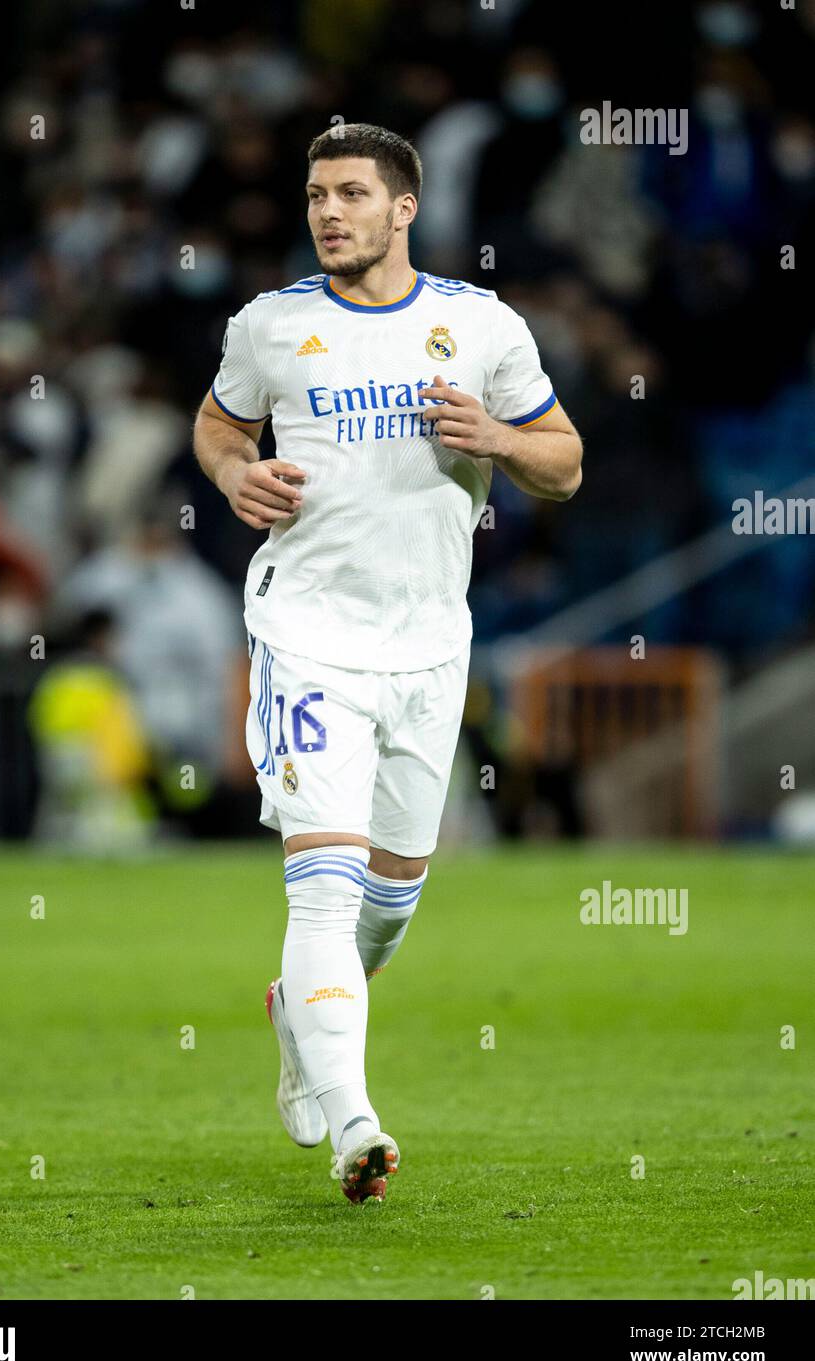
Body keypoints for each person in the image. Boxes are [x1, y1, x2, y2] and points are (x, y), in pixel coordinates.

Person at [194, 123, 582, 1204]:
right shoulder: (271, 325)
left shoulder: (481, 325)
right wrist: (232, 476)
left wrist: (498, 441)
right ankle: (353, 1123)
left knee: (390, 903)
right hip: (308, 636)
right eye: (317, 194)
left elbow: (565, 463)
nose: (329, 212)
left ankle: (299, 1016)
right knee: (322, 889)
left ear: (403, 208)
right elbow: (218, 427)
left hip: (429, 648)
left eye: (352, 194)